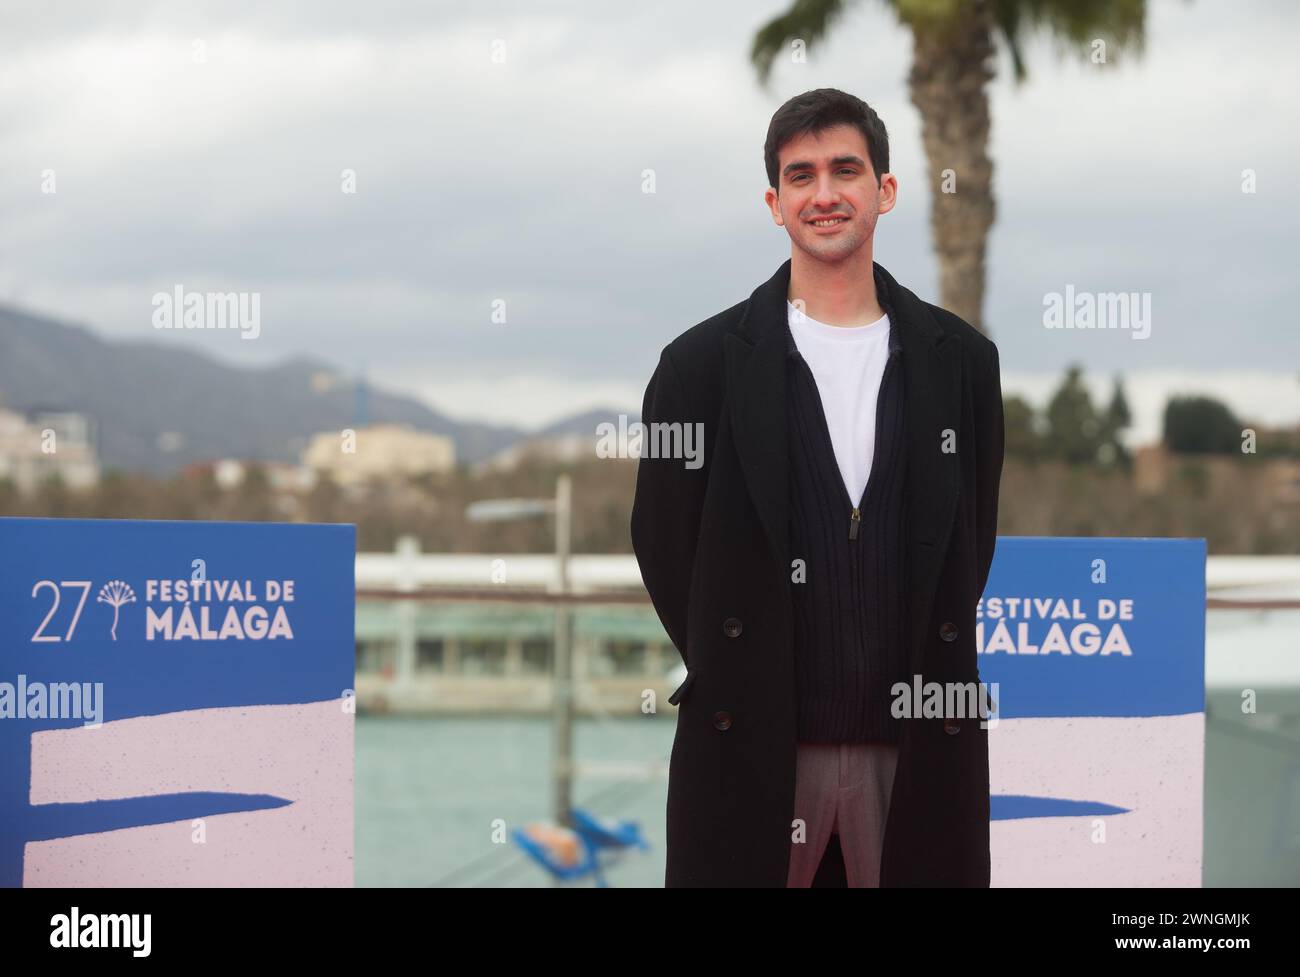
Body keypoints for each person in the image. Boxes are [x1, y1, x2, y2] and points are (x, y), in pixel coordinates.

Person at [630, 88, 1005, 887]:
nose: (824, 193)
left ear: (886, 190)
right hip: (754, 743)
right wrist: (742, 665)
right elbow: (662, 545)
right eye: (801, 176)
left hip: (916, 748)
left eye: (846, 170)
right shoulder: (696, 367)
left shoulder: (964, 364)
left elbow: (971, 541)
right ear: (775, 203)